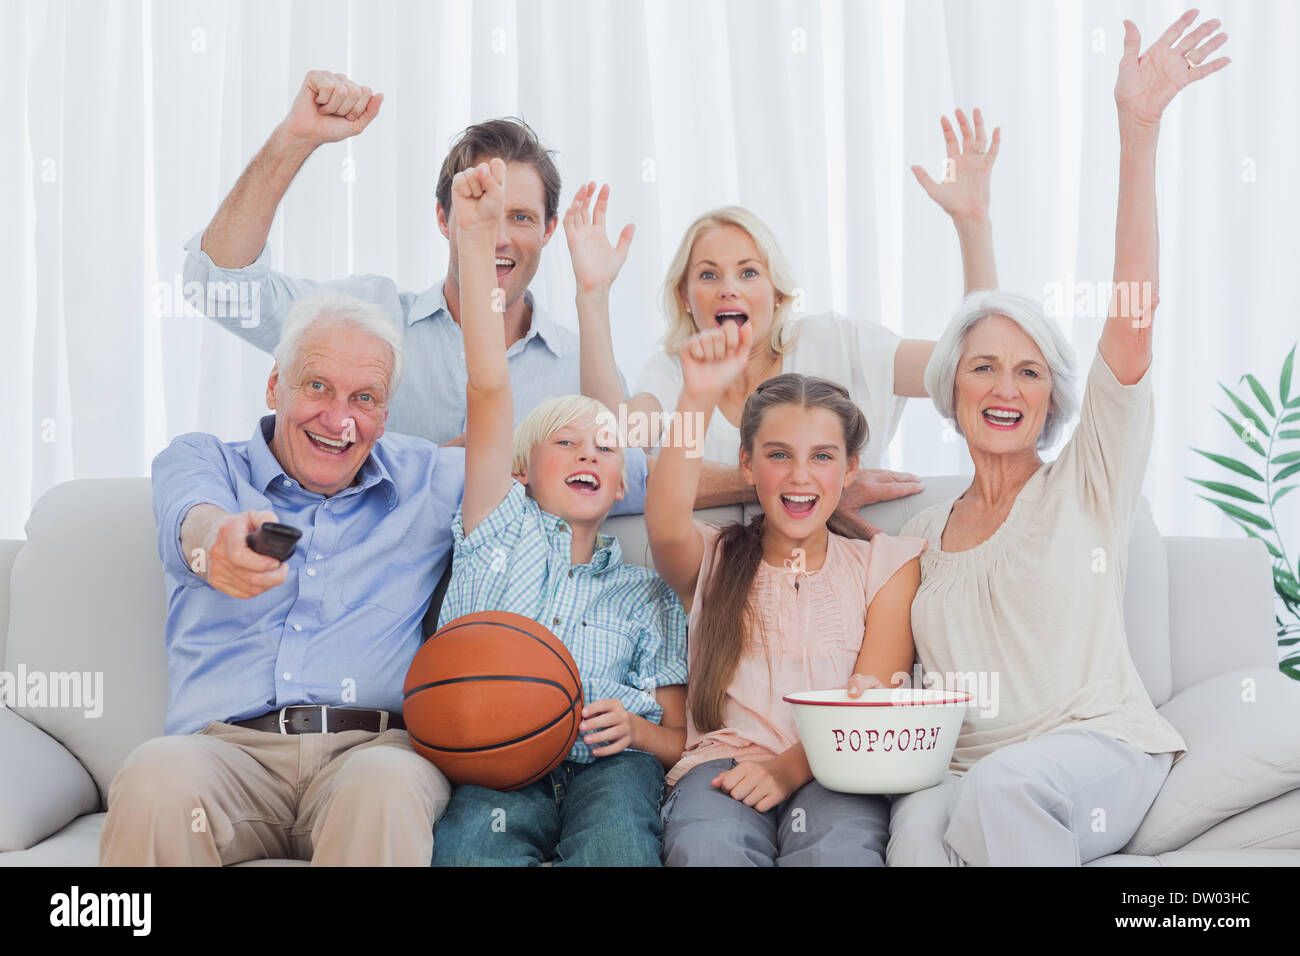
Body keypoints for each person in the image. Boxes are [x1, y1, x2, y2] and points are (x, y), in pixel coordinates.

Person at [886, 11, 1228, 866]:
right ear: (950, 389)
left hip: (1097, 750)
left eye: (1031, 373)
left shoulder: (1088, 478)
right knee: (916, 838)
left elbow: (1133, 322)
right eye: (984, 370)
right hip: (966, 773)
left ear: (1053, 398)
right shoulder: (919, 534)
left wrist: (1137, 130)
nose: (1006, 387)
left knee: (1004, 793)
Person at [100, 291, 465, 866]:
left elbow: (594, 465)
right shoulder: (204, 461)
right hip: (226, 756)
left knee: (386, 786)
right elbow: (193, 518)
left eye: (363, 398)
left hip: (370, 751)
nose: (339, 419)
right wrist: (219, 543)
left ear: (385, 415)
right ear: (276, 385)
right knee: (156, 777)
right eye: (317, 386)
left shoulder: (430, 480)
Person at [182, 71, 648, 513]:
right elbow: (221, 290)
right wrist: (294, 141)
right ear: (444, 219)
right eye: (481, 211)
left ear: (549, 230)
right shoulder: (368, 320)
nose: (498, 237)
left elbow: (627, 479)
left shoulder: (579, 365)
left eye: (520, 217)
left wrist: (594, 296)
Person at [427, 159, 688, 867]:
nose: (588, 454)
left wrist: (636, 731)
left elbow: (682, 733)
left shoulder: (648, 591)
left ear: (619, 482)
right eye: (564, 442)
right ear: (521, 470)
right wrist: (478, 243)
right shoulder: (495, 528)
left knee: (619, 847)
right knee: (473, 848)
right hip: (499, 758)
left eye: (605, 449)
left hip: (612, 766)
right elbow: (489, 388)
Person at [564, 108, 1004, 521]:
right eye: (709, 274)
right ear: (684, 297)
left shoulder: (835, 341)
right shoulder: (673, 372)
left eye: (748, 272)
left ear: (776, 294)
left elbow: (970, 367)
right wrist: (592, 295)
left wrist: (974, 224)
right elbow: (614, 447)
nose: (729, 288)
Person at [645, 318, 926, 866]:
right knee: (708, 850)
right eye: (778, 455)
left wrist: (787, 769)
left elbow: (870, 703)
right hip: (721, 767)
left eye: (822, 456)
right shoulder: (713, 558)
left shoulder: (885, 566)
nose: (800, 476)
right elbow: (664, 516)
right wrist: (696, 397)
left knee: (841, 853)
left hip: (837, 768)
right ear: (747, 465)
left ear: (850, 470)